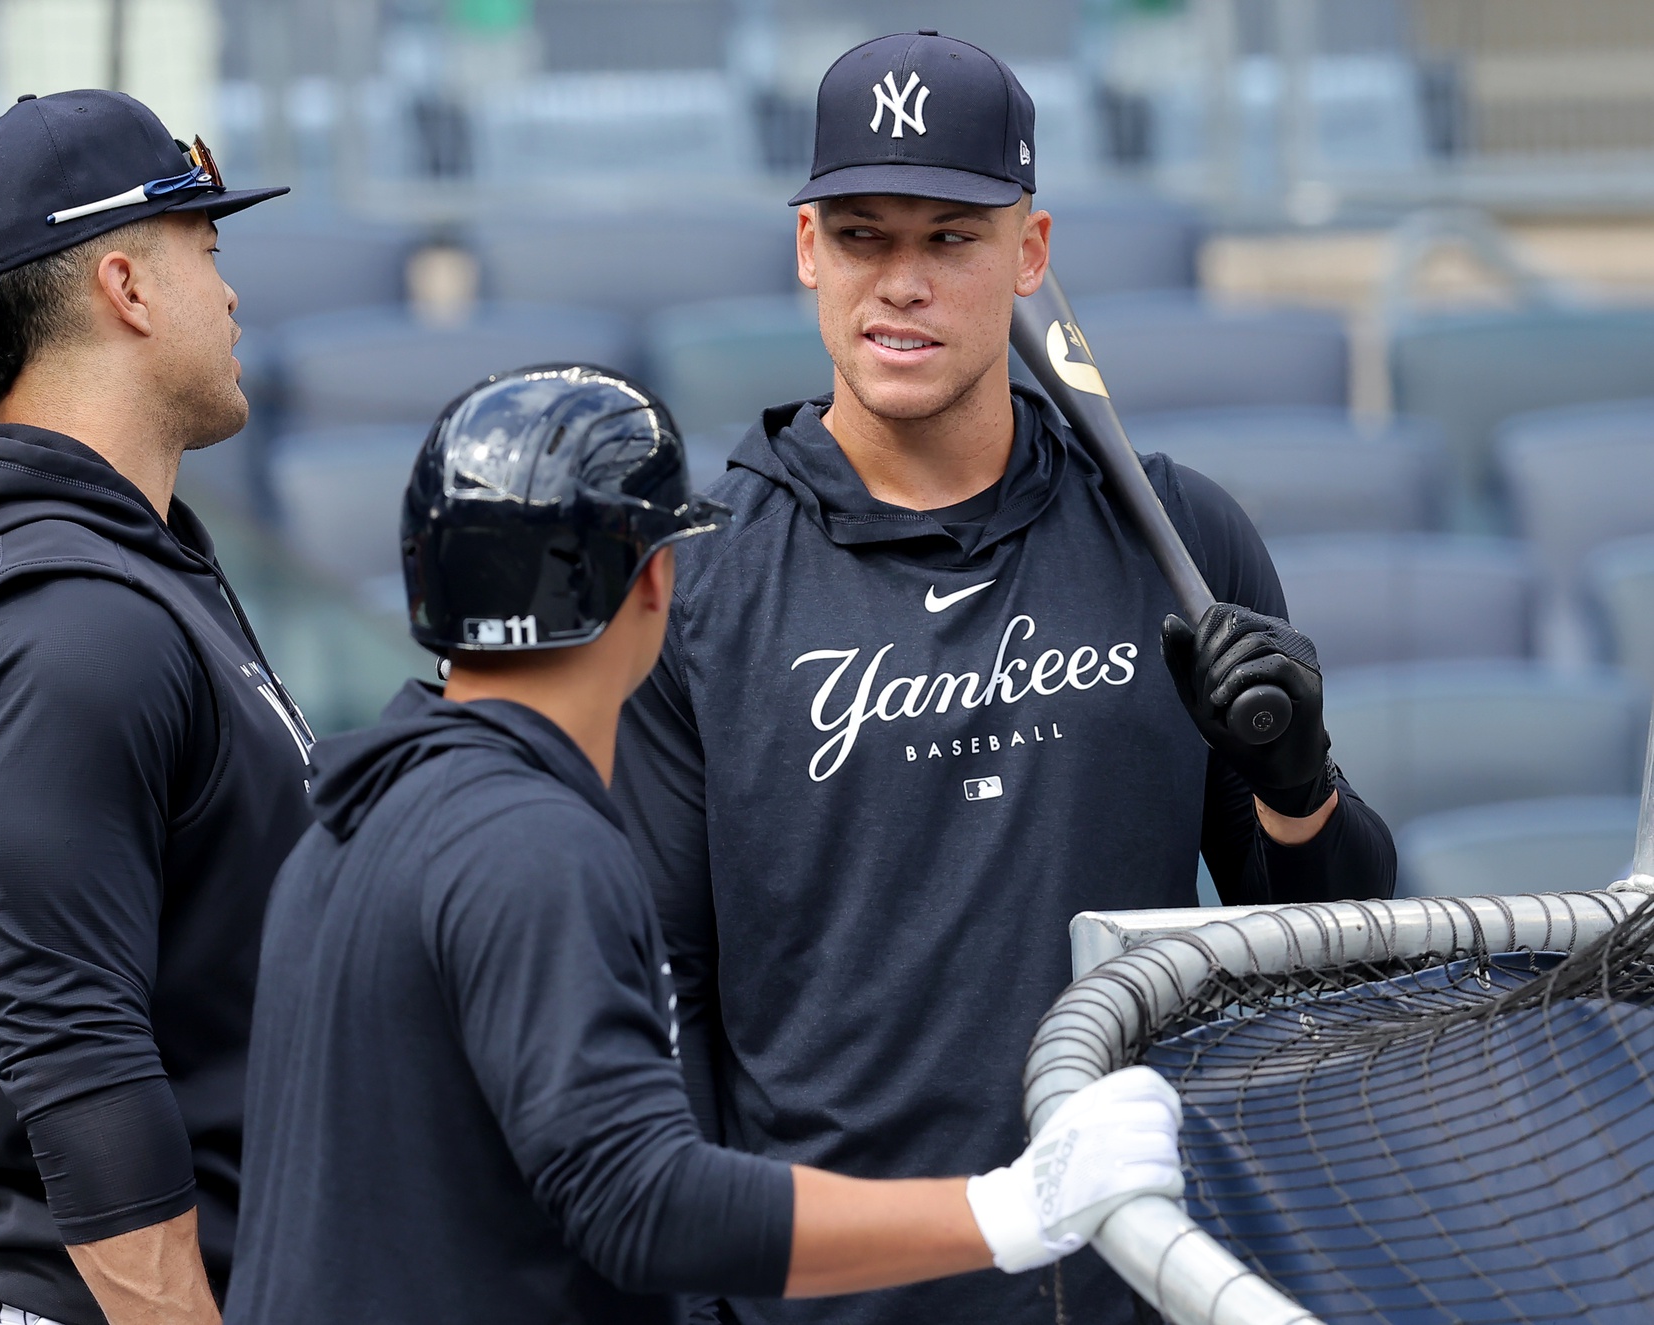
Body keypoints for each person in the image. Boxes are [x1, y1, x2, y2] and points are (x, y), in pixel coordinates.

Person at [609, 31, 1399, 1325]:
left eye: (951, 239)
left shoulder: (1180, 544)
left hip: (1126, 1278)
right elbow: (665, 997)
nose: (901, 283)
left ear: (1030, 254)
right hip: (829, 1300)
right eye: (865, 237)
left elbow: (1334, 970)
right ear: (808, 248)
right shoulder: (697, 584)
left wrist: (1299, 790)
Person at [226, 365, 1186, 1325]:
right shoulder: (531, 847)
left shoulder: (349, 830)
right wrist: (1009, 1208)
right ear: (655, 580)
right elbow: (638, 1202)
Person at [0, 90, 310, 1325]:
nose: (228, 295)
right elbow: (77, 1048)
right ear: (124, 285)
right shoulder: (69, 616)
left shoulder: (126, 574)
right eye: (206, 253)